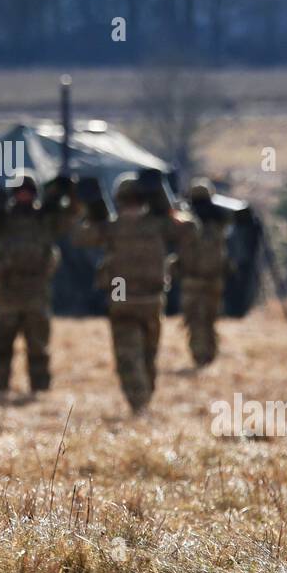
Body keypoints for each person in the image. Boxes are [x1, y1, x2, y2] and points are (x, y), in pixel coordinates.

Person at [73, 173, 186, 413]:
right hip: (152, 296)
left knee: (129, 354)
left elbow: (81, 236)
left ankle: (139, 402)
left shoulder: (112, 227)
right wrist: (166, 207)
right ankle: (143, 399)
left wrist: (91, 211)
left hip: (121, 294)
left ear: (119, 199)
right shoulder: (158, 224)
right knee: (148, 354)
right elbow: (187, 229)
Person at [0, 172, 78, 399]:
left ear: (35, 193)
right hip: (7, 292)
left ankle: (40, 392)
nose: (24, 196)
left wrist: (71, 192)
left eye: (28, 191)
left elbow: (74, 215)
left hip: (37, 292)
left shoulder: (47, 220)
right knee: (2, 346)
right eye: (19, 191)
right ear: (13, 194)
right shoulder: (2, 221)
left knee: (39, 347)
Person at [177, 177, 230, 368]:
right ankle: (209, 354)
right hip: (214, 279)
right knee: (209, 318)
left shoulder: (188, 222)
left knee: (195, 320)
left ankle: (201, 356)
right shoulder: (220, 220)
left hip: (192, 279)